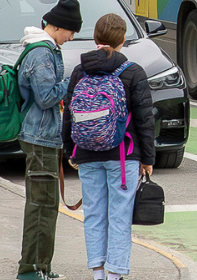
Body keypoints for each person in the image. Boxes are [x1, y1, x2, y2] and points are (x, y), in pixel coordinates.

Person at [63, 14, 155, 280]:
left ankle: (98, 273)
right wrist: (148, 158)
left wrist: (70, 150)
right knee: (119, 216)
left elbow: (69, 114)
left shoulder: (81, 71)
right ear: (123, 40)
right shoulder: (133, 72)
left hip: (87, 154)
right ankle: (115, 274)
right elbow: (144, 119)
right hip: (123, 157)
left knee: (93, 214)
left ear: (95, 39)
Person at [16, 0, 81, 280]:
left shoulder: (45, 50)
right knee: (41, 208)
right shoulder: (42, 54)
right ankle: (30, 269)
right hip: (40, 137)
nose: (72, 37)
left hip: (44, 137)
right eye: (71, 31)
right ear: (59, 27)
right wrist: (71, 82)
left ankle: (42, 267)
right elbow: (45, 97)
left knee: (46, 207)